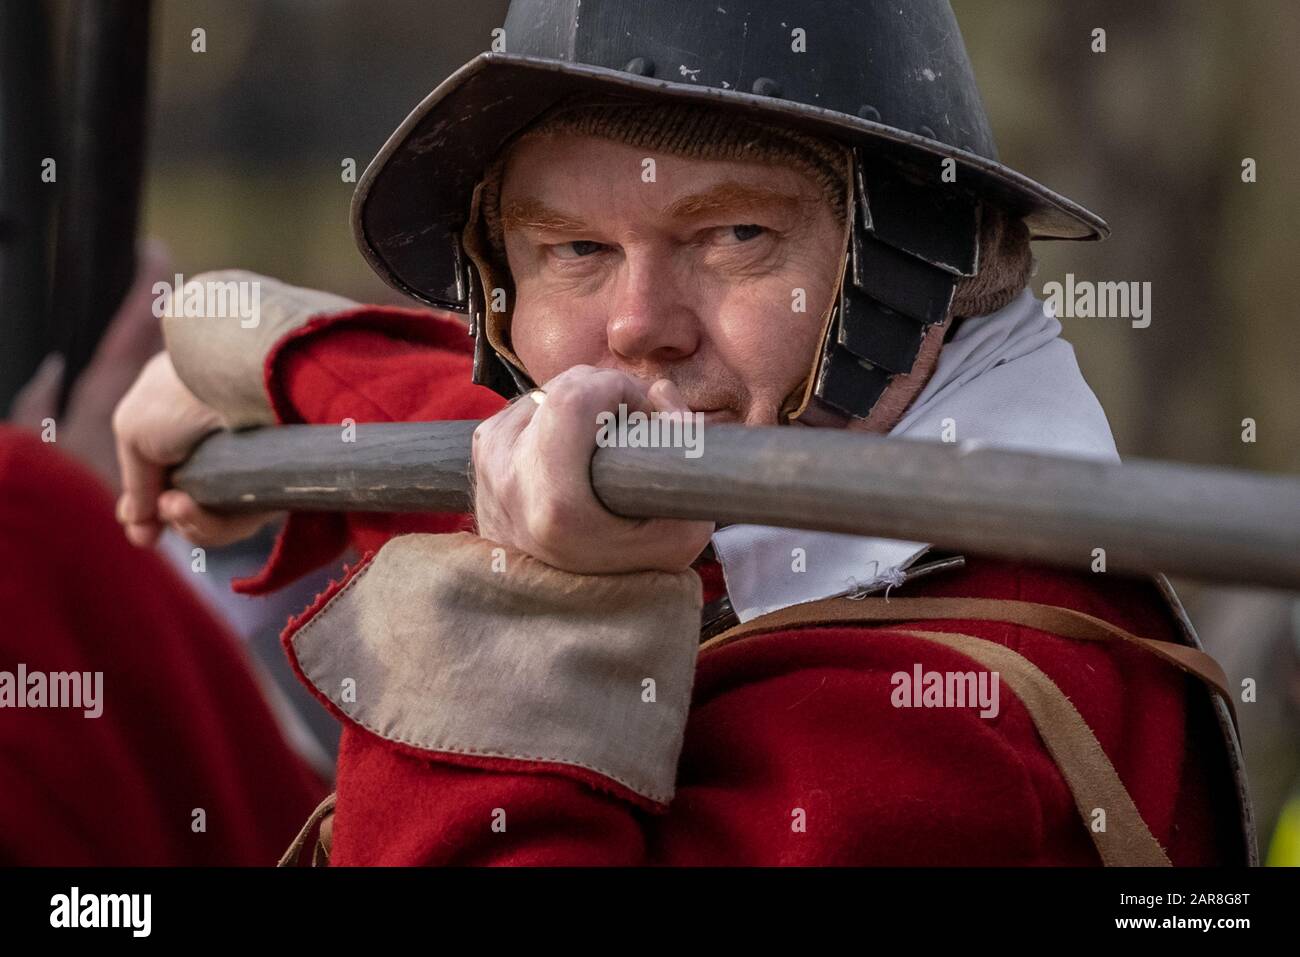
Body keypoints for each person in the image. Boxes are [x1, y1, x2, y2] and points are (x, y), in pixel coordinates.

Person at [113, 0, 1253, 865]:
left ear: (911, 264)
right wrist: (286, 363)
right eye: (575, 252)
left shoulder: (963, 725)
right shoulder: (744, 470)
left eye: (736, 235)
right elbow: (513, 429)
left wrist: (527, 606)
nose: (636, 330)